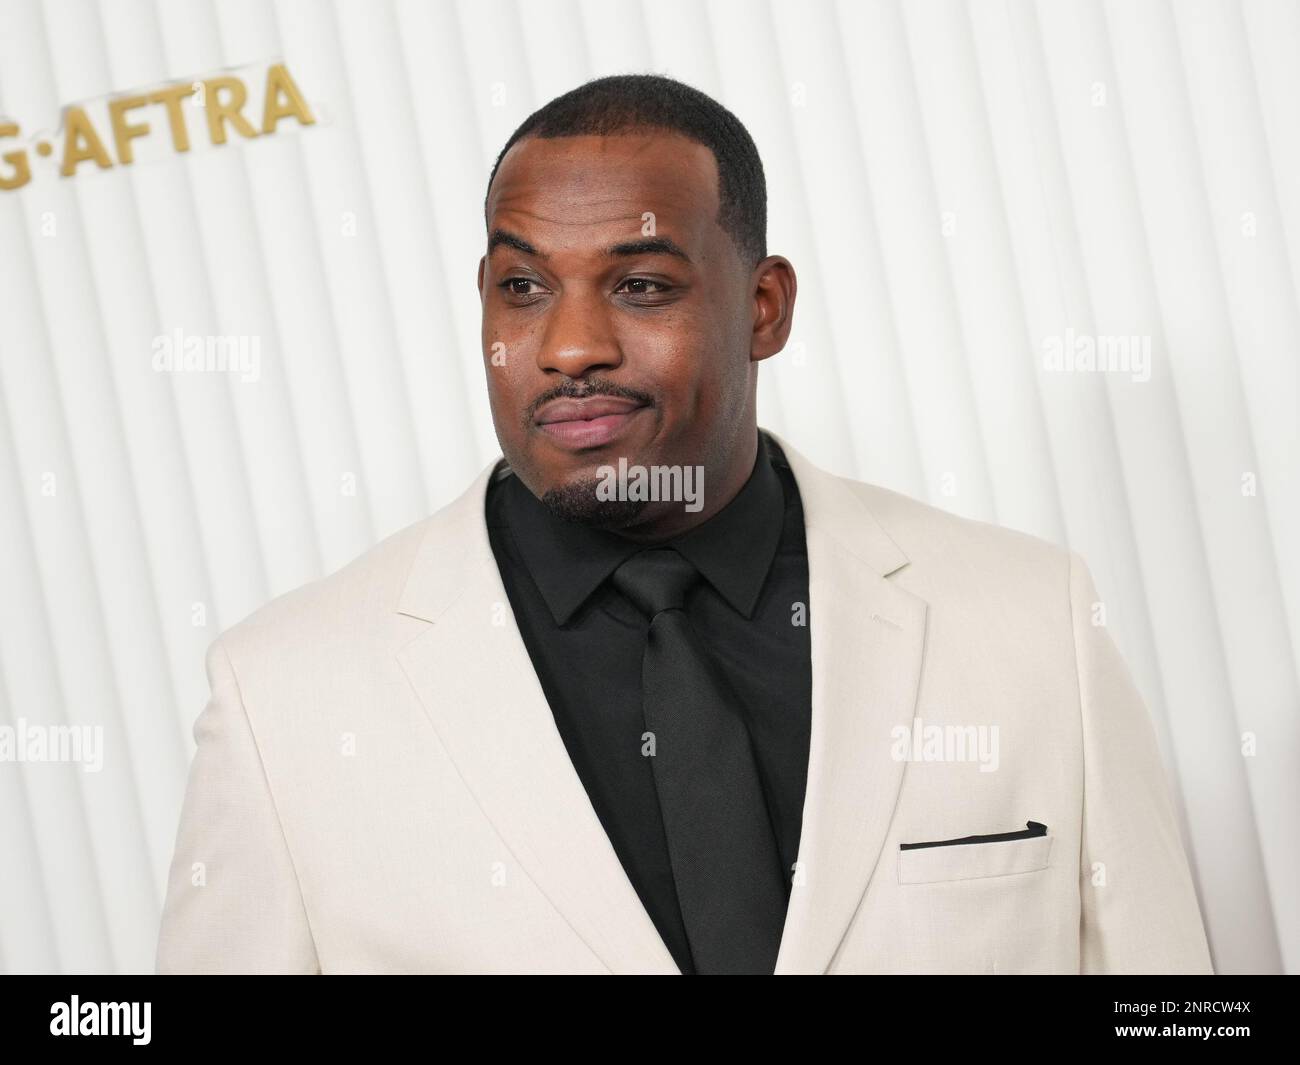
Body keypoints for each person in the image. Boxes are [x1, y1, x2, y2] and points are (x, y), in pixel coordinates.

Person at [156, 73, 1213, 974]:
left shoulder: (1030, 621)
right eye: (521, 286)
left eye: (641, 284)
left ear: (763, 308)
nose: (569, 345)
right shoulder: (283, 696)